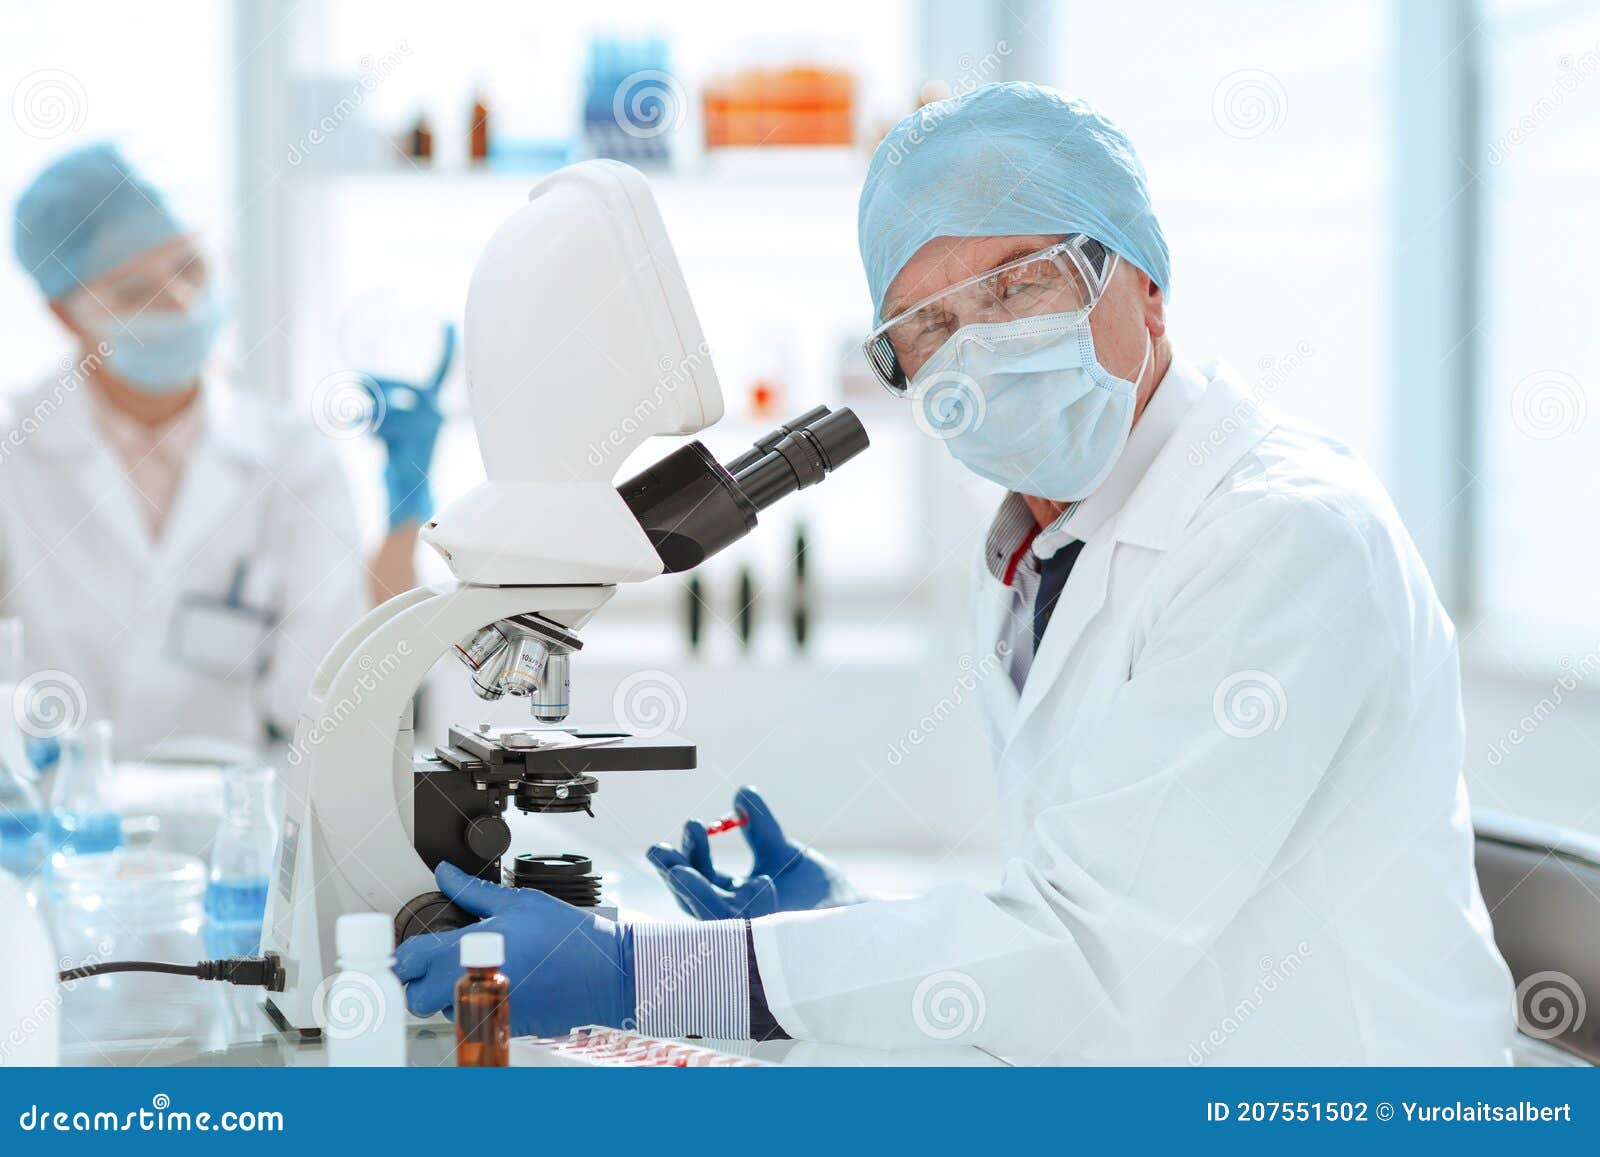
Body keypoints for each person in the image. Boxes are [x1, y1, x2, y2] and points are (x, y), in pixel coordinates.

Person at [393, 83, 1515, 1065]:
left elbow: (1081, 957)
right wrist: (835, 923)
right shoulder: (1033, 547)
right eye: (927, 324)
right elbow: (1079, 915)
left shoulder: (1282, 539)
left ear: (1145, 286)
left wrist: (651, 970)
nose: (976, 343)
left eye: (1018, 283)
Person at [1, 144, 438, 759]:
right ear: (65, 314)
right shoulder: (15, 451)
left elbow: (317, 696)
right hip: (46, 822)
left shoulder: (293, 459)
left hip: (229, 822)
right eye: (134, 291)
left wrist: (406, 521)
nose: (179, 303)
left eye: (190, 269)